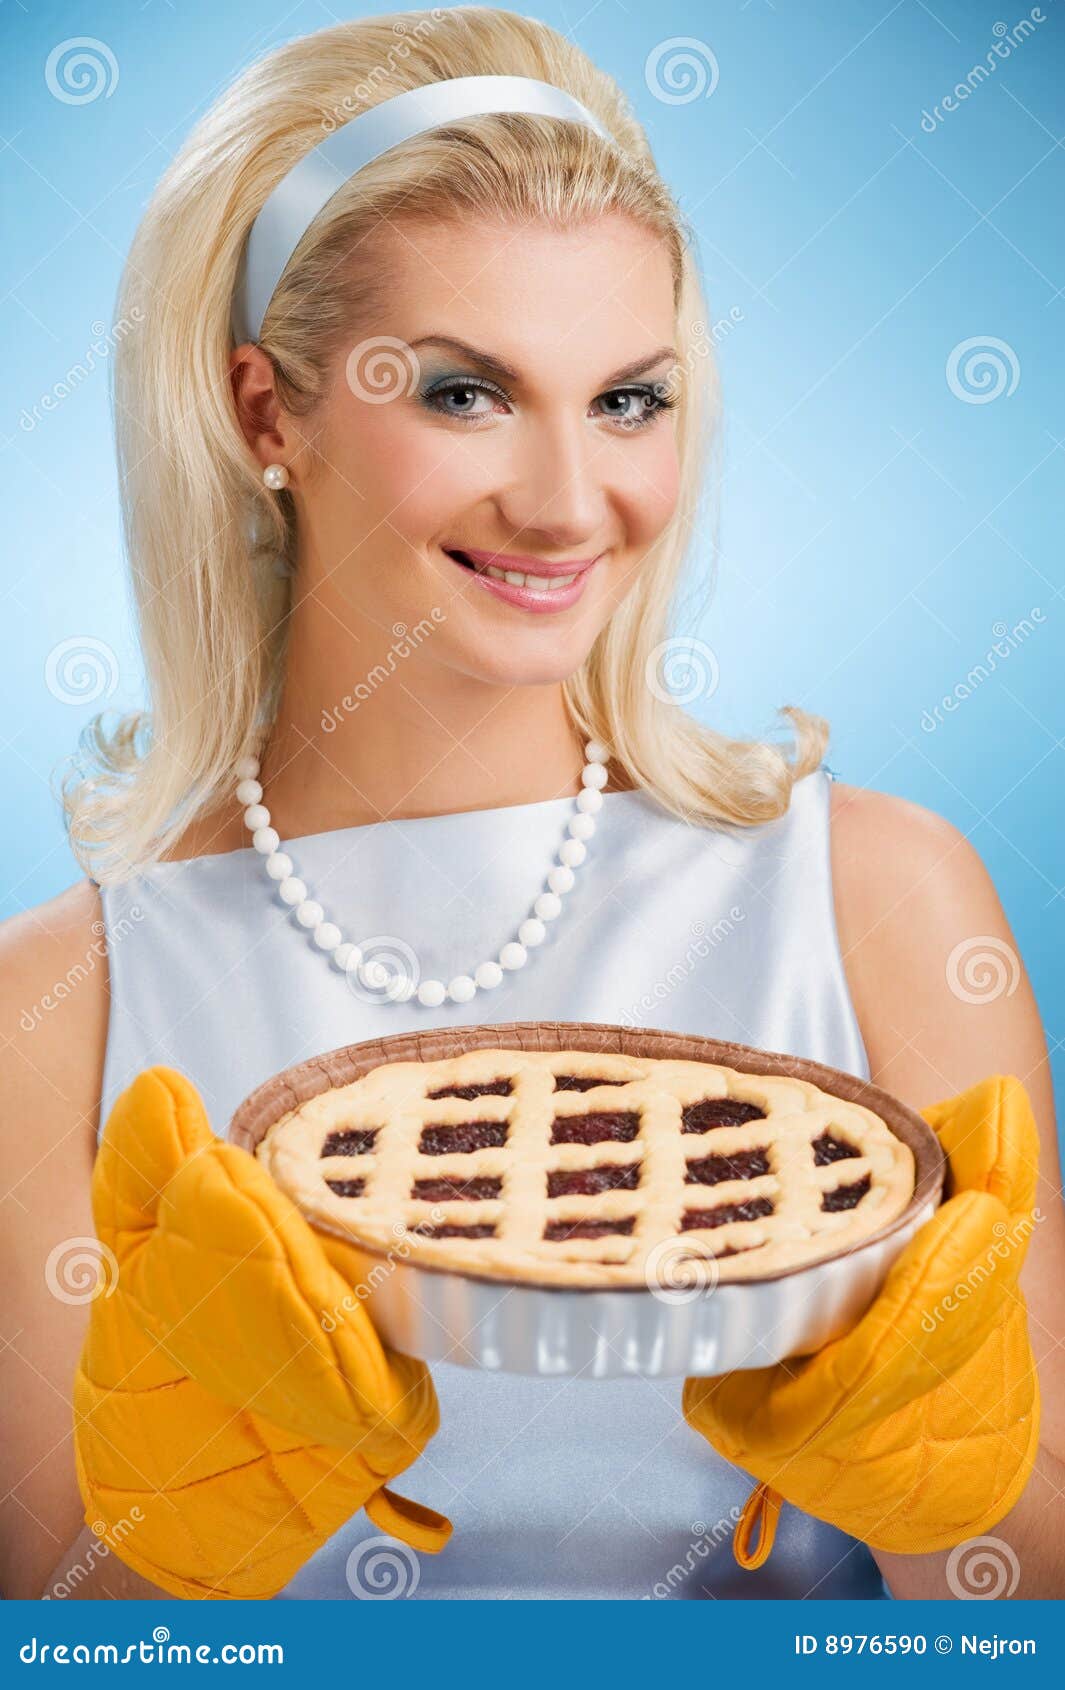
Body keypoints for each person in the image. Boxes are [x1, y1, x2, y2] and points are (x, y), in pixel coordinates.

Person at [2, 7, 1061, 1602]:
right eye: (461, 393)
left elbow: (1023, 1609)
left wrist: (921, 1460)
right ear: (262, 415)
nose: (572, 501)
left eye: (629, 399)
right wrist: (188, 1527)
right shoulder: (51, 1010)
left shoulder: (880, 898)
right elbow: (60, 1633)